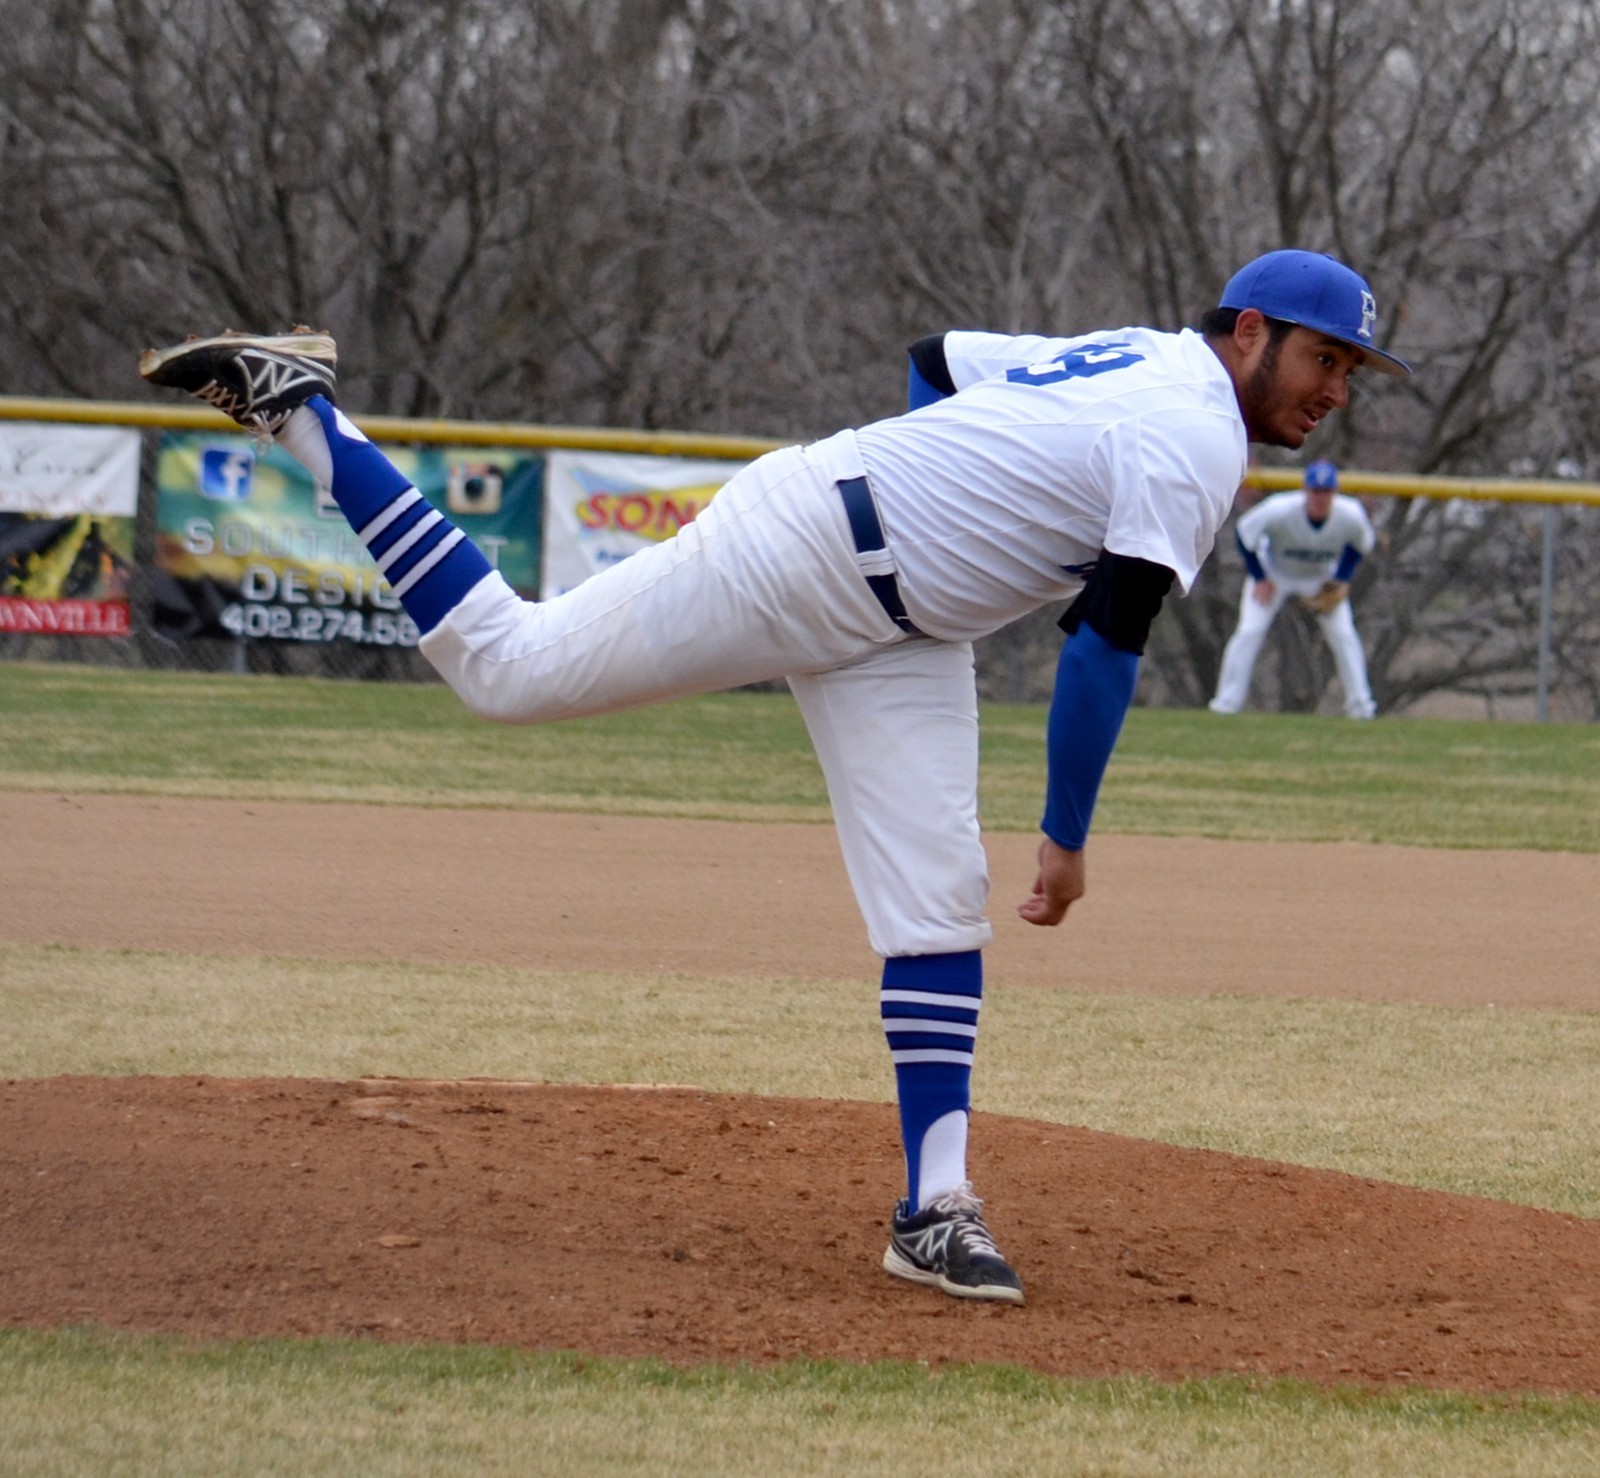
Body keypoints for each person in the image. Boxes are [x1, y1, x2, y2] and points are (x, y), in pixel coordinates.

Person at [140, 247, 1409, 1306]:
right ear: (1250, 331)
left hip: (906, 625)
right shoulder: (1192, 431)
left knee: (936, 901)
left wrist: (940, 494)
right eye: (1324, 357)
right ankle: (304, 414)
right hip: (805, 546)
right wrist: (1065, 835)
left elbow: (936, 359)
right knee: (509, 668)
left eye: (1350, 370)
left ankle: (935, 1208)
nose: (1336, 389)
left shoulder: (1142, 356)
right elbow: (1104, 647)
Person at [1208, 459, 1379, 719]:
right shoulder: (1280, 509)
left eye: (1326, 492)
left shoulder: (1350, 514)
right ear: (1305, 491)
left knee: (1344, 635)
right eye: (1315, 491)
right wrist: (1259, 577)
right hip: (1275, 573)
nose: (1320, 498)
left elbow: (1361, 545)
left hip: (1321, 578)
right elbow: (1244, 534)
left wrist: (1341, 578)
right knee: (1250, 631)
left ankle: (1361, 708)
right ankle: (1226, 704)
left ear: (1334, 493)